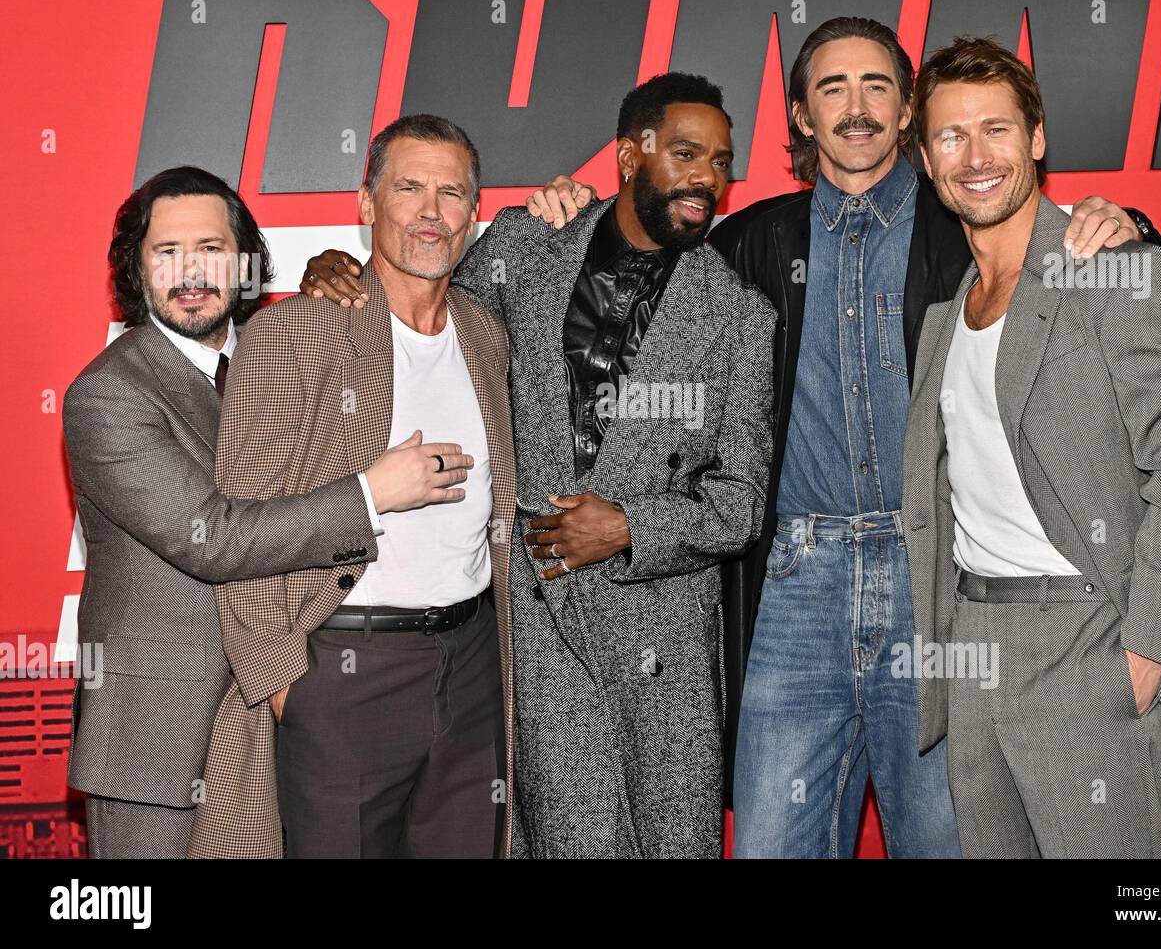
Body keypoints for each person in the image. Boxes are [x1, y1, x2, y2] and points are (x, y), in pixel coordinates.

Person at [527, 17, 1161, 859]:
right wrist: (565, 214)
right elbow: (632, 256)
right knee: (770, 845)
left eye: (877, 87)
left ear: (908, 113)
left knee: (948, 839)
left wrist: (1130, 229)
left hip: (934, 578)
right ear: (800, 116)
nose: (856, 107)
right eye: (832, 88)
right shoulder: (749, 243)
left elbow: (1091, 288)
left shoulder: (971, 228)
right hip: (795, 588)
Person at [300, 73, 776, 857]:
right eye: (686, 153)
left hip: (667, 643)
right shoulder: (527, 245)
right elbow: (422, 308)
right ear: (630, 155)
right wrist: (336, 269)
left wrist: (630, 526)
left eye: (722, 162)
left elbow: (743, 499)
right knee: (565, 837)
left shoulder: (739, 314)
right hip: (539, 622)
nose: (707, 179)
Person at [904, 36, 1161, 856]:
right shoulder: (945, 315)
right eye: (952, 136)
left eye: (997, 130)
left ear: (1038, 138)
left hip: (1087, 641)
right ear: (924, 155)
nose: (975, 157)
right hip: (973, 648)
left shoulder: (1119, 272)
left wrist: (1145, 657)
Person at [63, 165, 456, 857]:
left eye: (211, 250)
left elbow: (428, 292)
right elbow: (211, 537)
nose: (191, 272)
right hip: (163, 736)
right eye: (167, 252)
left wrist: (344, 282)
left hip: (287, 715)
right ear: (135, 267)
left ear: (244, 262)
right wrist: (372, 493)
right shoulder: (108, 396)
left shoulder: (281, 355)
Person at [187, 116, 516, 858]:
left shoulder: (487, 337)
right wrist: (283, 685)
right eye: (409, 188)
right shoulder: (293, 334)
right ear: (368, 204)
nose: (431, 212)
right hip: (342, 673)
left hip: (471, 668)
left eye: (451, 192)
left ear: (474, 212)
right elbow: (241, 525)